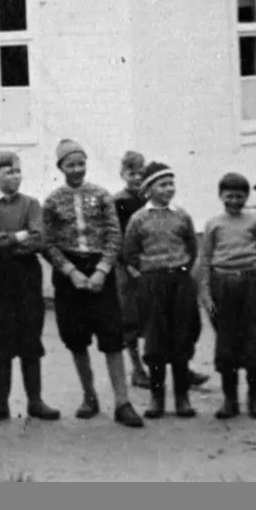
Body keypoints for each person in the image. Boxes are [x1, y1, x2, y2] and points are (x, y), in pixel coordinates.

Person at [43, 139, 145, 428]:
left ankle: (122, 402)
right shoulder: (52, 201)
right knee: (76, 338)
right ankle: (89, 396)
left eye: (81, 163)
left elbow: (114, 235)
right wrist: (71, 272)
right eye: (71, 164)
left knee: (112, 336)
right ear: (61, 167)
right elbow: (48, 243)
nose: (77, 169)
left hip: (101, 272)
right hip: (70, 276)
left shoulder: (101, 196)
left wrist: (102, 269)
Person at [0, 151, 61, 421]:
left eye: (17, 171)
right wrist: (17, 237)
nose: (14, 177)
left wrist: (6, 241)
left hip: (27, 277)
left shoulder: (31, 205)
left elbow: (37, 240)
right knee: (0, 337)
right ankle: (0, 403)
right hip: (0, 278)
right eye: (8, 172)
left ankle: (35, 401)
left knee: (30, 336)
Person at [122, 161, 201, 419]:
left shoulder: (182, 215)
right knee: (155, 339)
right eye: (162, 184)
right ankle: (157, 399)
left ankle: (182, 398)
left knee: (181, 337)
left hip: (179, 281)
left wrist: (182, 270)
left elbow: (192, 247)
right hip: (152, 283)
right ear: (148, 189)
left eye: (171, 184)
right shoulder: (139, 219)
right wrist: (147, 272)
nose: (169, 189)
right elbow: (130, 252)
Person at [195, 173, 256, 421]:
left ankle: (255, 398)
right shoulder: (213, 224)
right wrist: (206, 296)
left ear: (247, 197)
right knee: (226, 343)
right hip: (222, 285)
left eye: (240, 197)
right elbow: (205, 260)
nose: (234, 201)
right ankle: (230, 400)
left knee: (255, 342)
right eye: (229, 196)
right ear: (220, 196)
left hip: (251, 284)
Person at [114, 151, 151, 389]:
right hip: (127, 267)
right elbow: (115, 235)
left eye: (140, 173)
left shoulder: (150, 199)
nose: (136, 177)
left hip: (151, 263)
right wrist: (128, 264)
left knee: (157, 316)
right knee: (130, 318)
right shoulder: (119, 201)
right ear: (123, 174)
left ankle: (176, 366)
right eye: (131, 173)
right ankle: (137, 369)